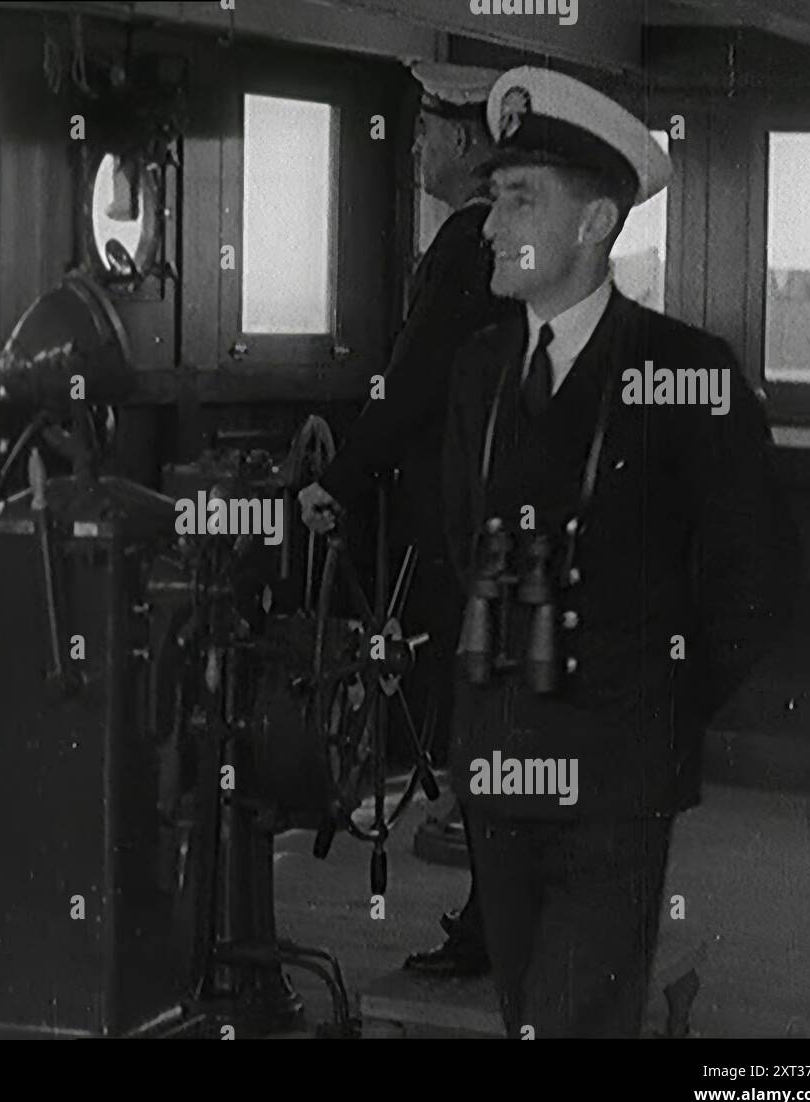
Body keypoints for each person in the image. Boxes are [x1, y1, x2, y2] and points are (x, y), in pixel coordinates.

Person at [441, 66, 799, 1036]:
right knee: (526, 1007)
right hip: (499, 759)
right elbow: (452, 546)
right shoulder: (476, 371)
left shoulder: (686, 373)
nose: (488, 222)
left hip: (617, 768)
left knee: (574, 1018)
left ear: (595, 223)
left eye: (519, 198)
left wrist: (658, 704)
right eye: (493, 197)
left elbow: (755, 582)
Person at [298, 62, 519, 978]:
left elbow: (412, 382)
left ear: (465, 142)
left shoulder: (470, 246)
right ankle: (505, 915)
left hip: (461, 526)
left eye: (428, 131)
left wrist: (335, 482)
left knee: (477, 722)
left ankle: (497, 923)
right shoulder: (499, 244)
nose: (417, 146)